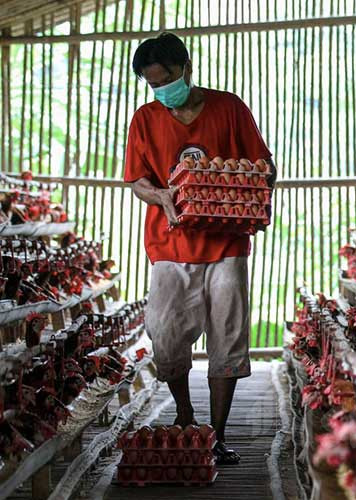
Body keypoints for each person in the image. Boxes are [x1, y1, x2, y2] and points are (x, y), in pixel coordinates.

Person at [123, 32, 274, 465]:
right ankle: (186, 415)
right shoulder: (145, 119)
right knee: (165, 333)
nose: (161, 91)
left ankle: (217, 435)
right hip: (169, 243)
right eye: (153, 84)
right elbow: (137, 180)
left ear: (186, 69)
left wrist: (242, 191)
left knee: (228, 336)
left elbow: (264, 166)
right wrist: (161, 196)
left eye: (166, 80)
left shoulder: (229, 108)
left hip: (226, 244)